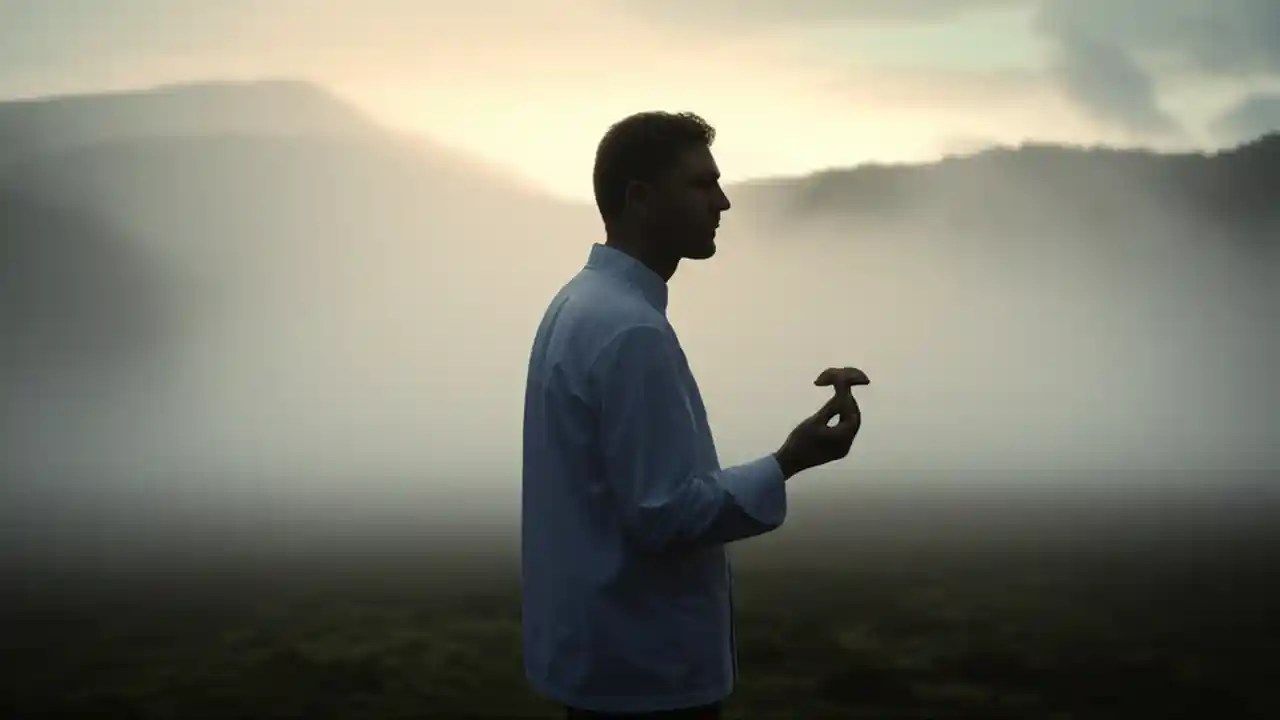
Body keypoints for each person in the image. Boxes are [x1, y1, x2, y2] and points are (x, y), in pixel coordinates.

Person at [521, 111, 869, 719]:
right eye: (702, 185)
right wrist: (789, 461)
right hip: (646, 679)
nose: (724, 202)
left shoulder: (577, 306)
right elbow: (664, 513)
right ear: (640, 198)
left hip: (599, 661)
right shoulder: (629, 330)